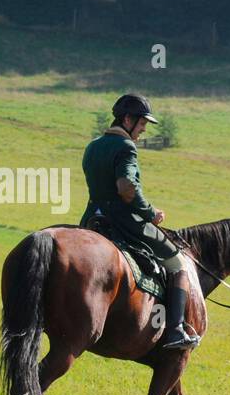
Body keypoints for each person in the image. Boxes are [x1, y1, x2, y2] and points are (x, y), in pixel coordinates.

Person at [80, 94, 199, 350]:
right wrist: (149, 213)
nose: (144, 130)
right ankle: (176, 330)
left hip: (92, 219)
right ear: (127, 119)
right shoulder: (126, 147)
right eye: (142, 123)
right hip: (124, 222)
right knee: (178, 263)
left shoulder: (93, 145)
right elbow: (126, 188)